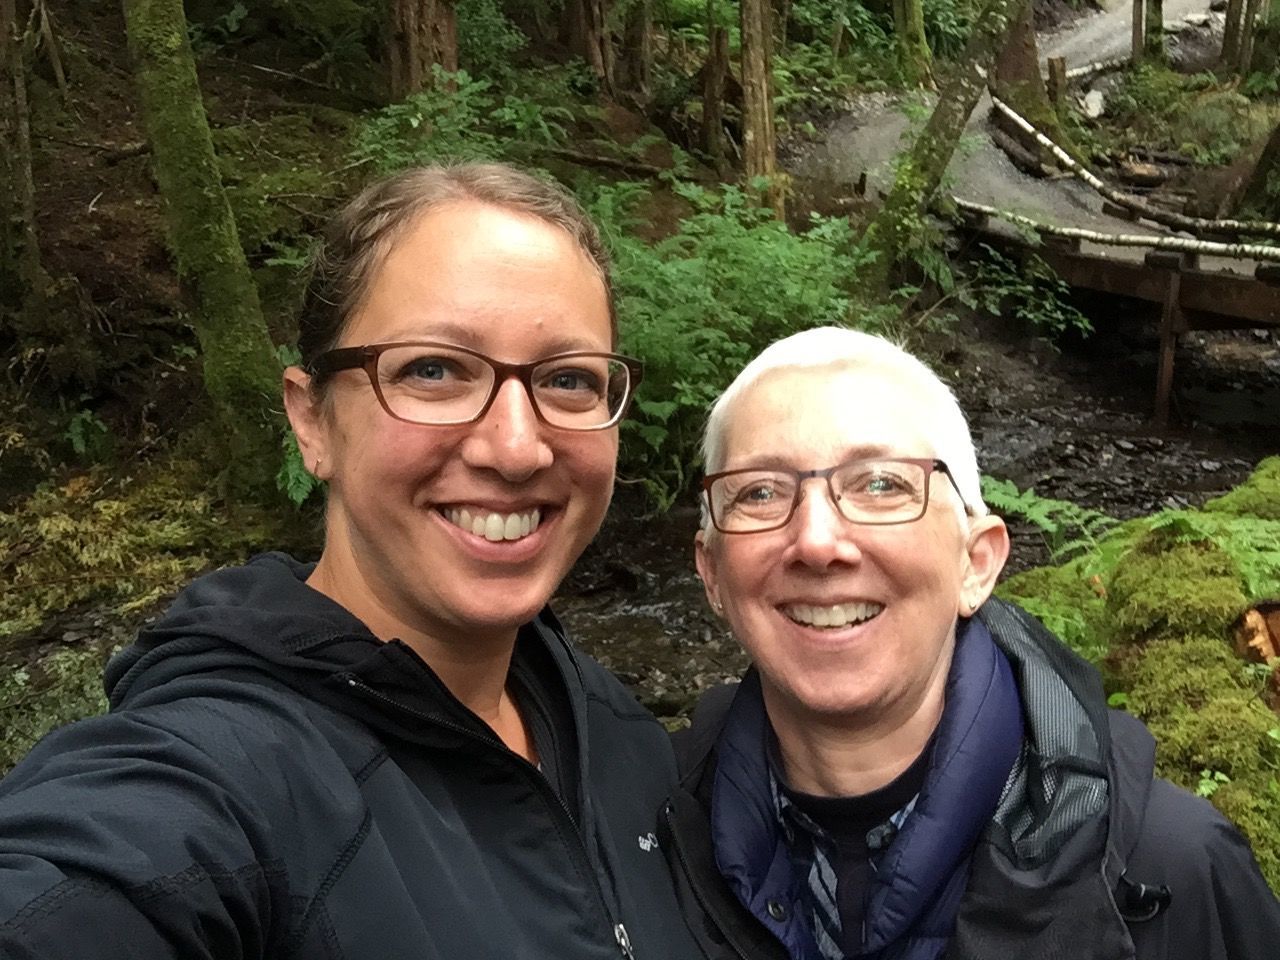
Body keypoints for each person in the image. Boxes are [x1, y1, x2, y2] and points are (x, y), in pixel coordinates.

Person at [0, 162, 702, 959]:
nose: (515, 446)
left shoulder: (612, 728)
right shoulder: (222, 778)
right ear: (313, 422)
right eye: (433, 370)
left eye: (569, 379)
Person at [662, 326, 1280, 960]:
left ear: (976, 563)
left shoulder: (1171, 871)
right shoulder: (642, 839)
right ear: (712, 571)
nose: (818, 542)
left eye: (880, 484)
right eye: (760, 492)